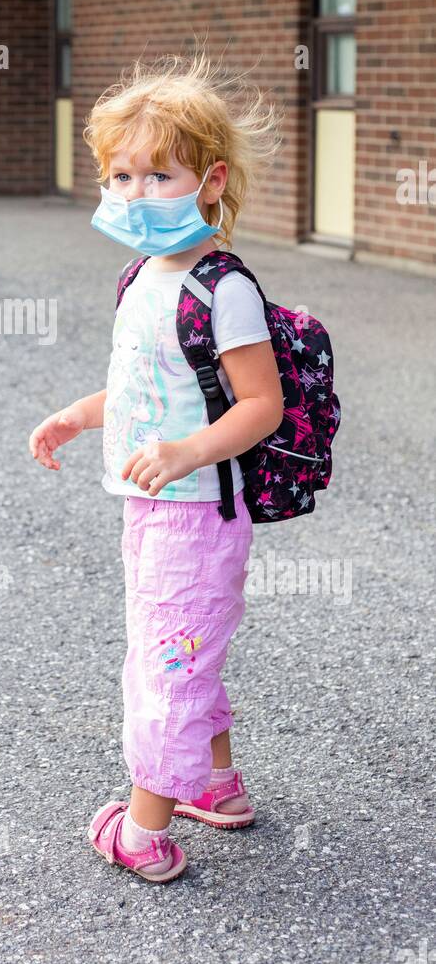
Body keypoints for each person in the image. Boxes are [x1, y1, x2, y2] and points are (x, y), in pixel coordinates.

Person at [29, 51, 284, 883]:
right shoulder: (144, 274)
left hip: (198, 509)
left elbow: (260, 406)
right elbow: (141, 385)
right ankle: (218, 783)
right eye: (121, 175)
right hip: (152, 506)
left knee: (168, 664)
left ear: (210, 181)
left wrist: (186, 452)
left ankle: (145, 830)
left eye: (158, 175)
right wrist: (76, 415)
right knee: (181, 647)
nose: (135, 194)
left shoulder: (224, 288)